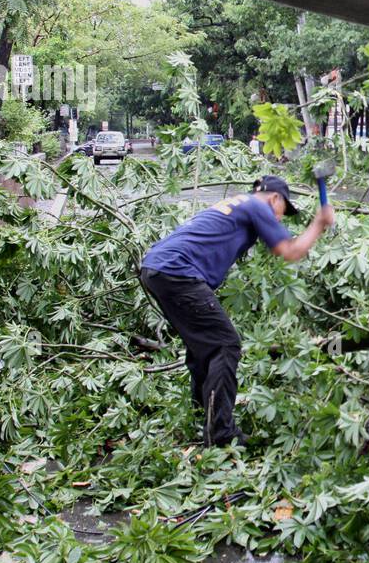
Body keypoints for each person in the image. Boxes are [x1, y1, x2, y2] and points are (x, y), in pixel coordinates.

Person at [139, 175, 335, 447]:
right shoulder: (258, 206)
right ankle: (221, 434)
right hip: (177, 272)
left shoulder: (236, 204)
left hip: (156, 268)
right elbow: (290, 251)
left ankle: (202, 415)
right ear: (274, 198)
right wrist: (319, 223)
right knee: (225, 345)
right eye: (282, 211)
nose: (280, 219)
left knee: (203, 347)